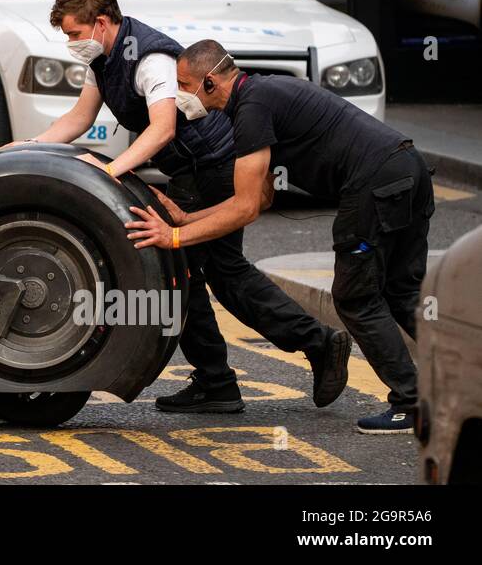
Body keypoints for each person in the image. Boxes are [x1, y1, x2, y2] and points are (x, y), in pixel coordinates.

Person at [18, 0, 350, 413]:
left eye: (74, 33)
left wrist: (113, 169)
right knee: (195, 275)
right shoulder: (104, 58)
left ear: (101, 23)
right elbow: (79, 117)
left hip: (214, 167)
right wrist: (28, 148)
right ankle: (223, 380)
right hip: (192, 172)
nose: (71, 43)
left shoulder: (151, 60)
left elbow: (163, 128)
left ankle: (297, 351)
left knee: (198, 275)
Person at [126, 40, 435, 434]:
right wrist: (188, 218)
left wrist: (173, 237)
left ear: (208, 82)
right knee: (401, 292)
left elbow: (246, 209)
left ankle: (409, 402)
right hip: (409, 170)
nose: (179, 97)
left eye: (183, 86)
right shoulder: (260, 97)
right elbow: (262, 197)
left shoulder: (252, 109)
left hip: (375, 186)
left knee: (356, 297)